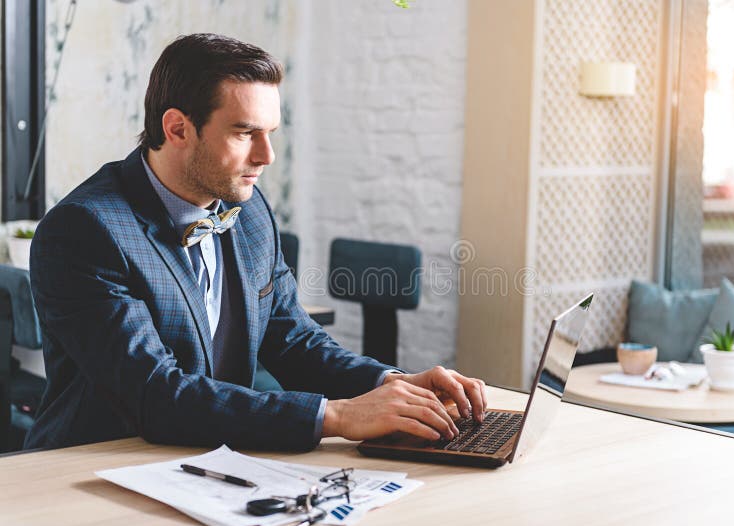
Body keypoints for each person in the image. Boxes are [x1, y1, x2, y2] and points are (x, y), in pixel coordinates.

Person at [24, 33, 486, 451]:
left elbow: (293, 340)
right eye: (245, 133)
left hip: (212, 465)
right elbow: (157, 395)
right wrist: (338, 416)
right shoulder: (85, 231)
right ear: (178, 128)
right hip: (91, 475)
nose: (266, 157)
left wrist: (394, 385)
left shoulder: (249, 210)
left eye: (270, 134)